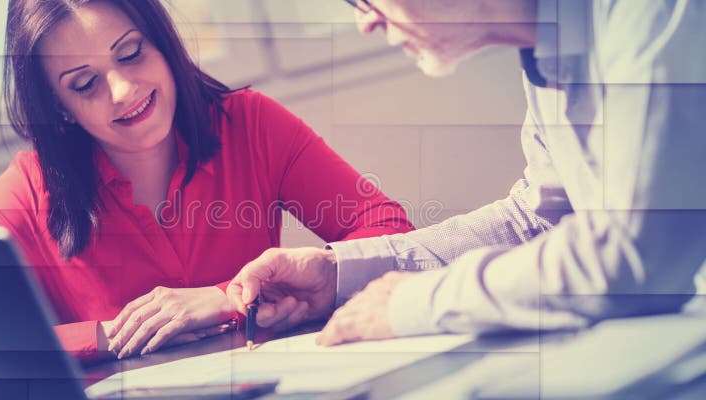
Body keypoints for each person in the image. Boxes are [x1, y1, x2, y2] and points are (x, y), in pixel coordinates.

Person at [0, 3, 415, 392]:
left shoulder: (251, 124)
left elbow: (393, 232)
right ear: (59, 109)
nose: (124, 89)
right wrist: (105, 336)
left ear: (162, 44)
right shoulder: (30, 189)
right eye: (84, 84)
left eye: (131, 53)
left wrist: (225, 298)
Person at [228, 0, 706, 346]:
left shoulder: (656, 16)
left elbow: (633, 260)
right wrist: (338, 275)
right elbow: (536, 218)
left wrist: (416, 302)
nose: (366, 21)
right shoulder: (549, 50)